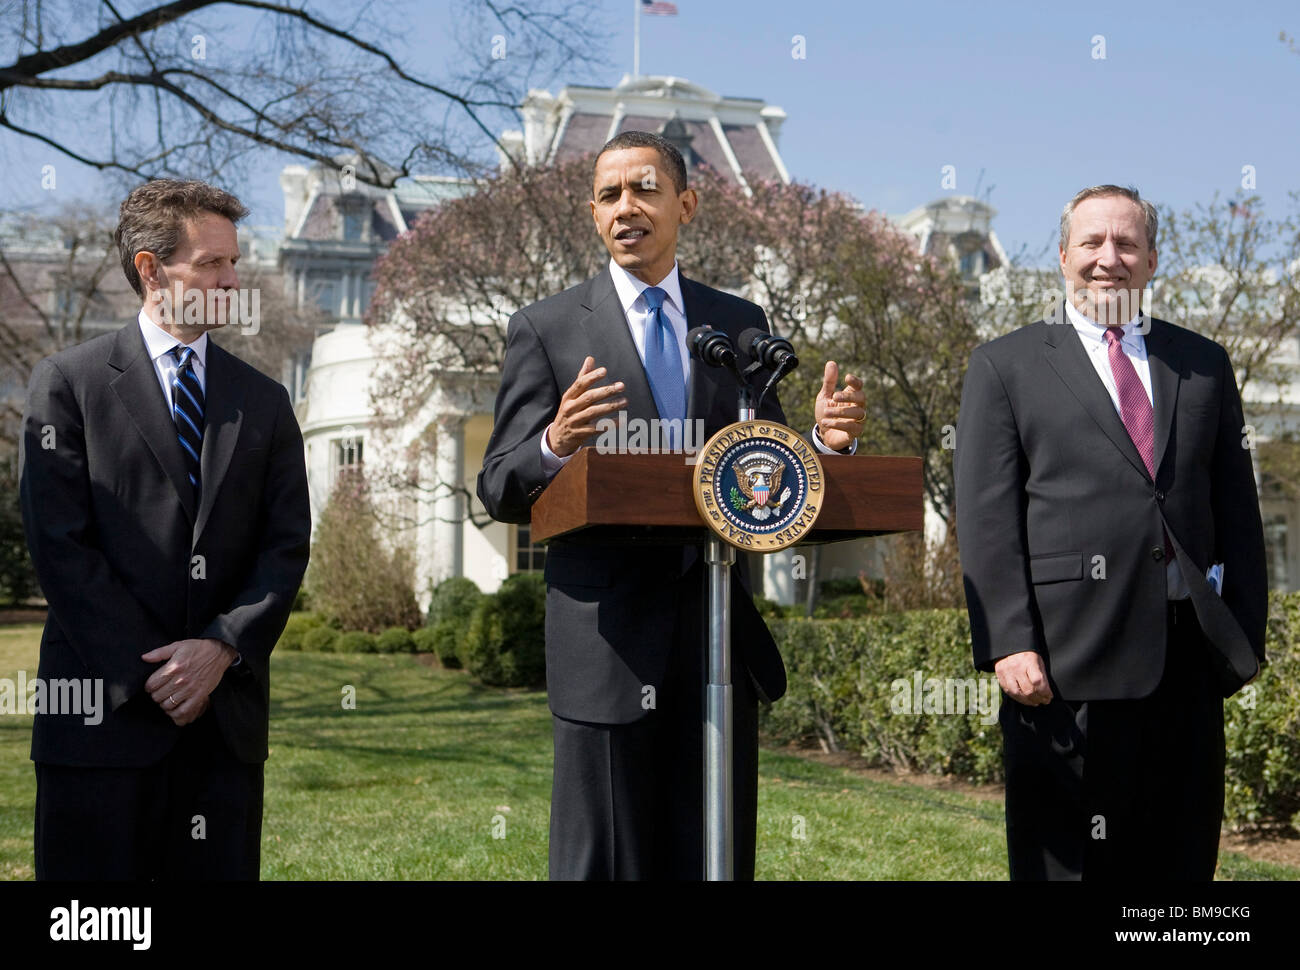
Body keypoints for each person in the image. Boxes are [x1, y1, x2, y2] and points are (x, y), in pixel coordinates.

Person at [477, 130, 865, 879]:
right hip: (606, 647)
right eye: (610, 194)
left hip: (714, 642)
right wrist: (554, 440)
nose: (628, 207)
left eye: (645, 189)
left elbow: (770, 472)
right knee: (605, 860)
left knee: (713, 854)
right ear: (593, 214)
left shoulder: (738, 322)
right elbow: (498, 485)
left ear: (685, 204)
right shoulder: (546, 328)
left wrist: (824, 441)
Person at [955, 184, 1266, 880]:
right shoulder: (1005, 366)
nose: (1109, 258)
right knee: (1070, 863)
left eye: (1127, 243)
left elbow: (1237, 510)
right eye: (1092, 242)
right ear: (1063, 256)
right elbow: (986, 518)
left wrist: (1243, 633)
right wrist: (1009, 641)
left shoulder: (1204, 363)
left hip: (1185, 661)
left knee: (1179, 863)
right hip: (1064, 667)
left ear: (1152, 259)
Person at [19, 179, 311, 879]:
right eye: (213, 263)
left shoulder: (265, 402)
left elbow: (286, 544)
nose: (234, 278)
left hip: (223, 729)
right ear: (152, 270)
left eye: (235, 262)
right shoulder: (67, 384)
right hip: (99, 723)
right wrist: (159, 675)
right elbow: (60, 548)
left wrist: (220, 649)